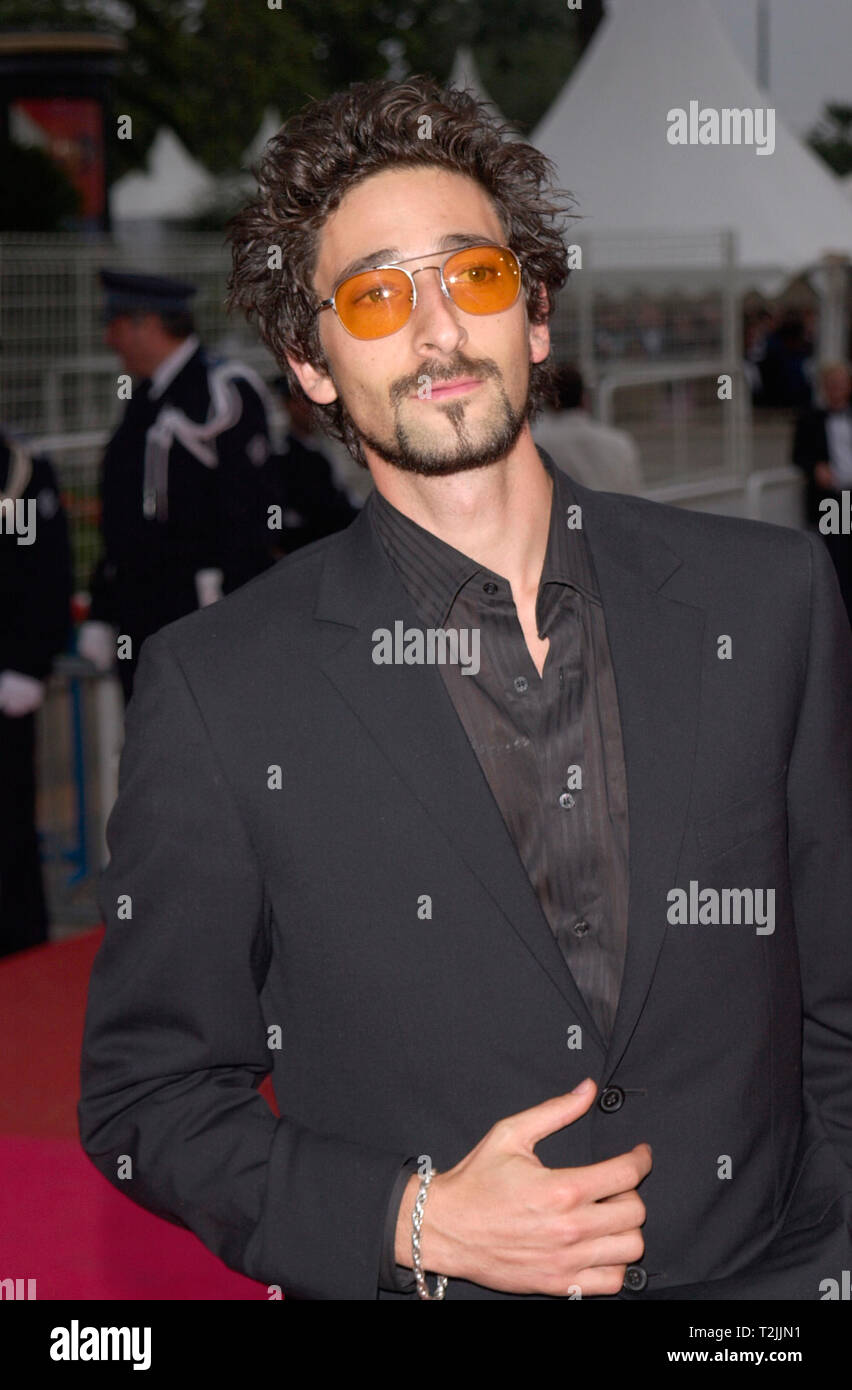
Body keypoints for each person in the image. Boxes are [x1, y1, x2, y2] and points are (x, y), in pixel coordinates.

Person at [79, 76, 852, 1301]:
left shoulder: (768, 600)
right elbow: (147, 1098)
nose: (437, 332)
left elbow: (837, 993)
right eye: (376, 295)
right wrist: (414, 1221)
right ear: (311, 362)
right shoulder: (222, 688)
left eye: (473, 277)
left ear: (536, 313)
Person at [78, 270, 277, 703]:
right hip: (146, 616)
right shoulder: (147, 395)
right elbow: (127, 518)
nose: (109, 340)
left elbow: (248, 509)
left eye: (114, 325)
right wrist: (104, 606)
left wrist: (227, 601)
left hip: (202, 617)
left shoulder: (221, 390)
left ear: (145, 324)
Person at [0, 429, 72, 957]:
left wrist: (26, 664)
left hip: (5, 685)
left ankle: (21, 955)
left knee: (9, 830)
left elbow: (44, 571)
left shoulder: (17, 468)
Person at [265, 375, 360, 556]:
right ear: (288, 405)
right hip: (308, 548)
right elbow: (273, 505)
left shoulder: (319, 448)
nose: (310, 409)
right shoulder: (283, 457)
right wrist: (276, 538)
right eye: (302, 402)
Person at [792, 361, 852, 627]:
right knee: (839, 556)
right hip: (834, 497)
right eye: (832, 384)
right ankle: (842, 616)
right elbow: (797, 455)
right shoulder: (811, 417)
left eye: (841, 384)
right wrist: (816, 467)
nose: (837, 389)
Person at [532, 363, 642, 493]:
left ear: (547, 400)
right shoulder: (620, 443)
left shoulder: (537, 445)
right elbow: (634, 495)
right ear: (585, 399)